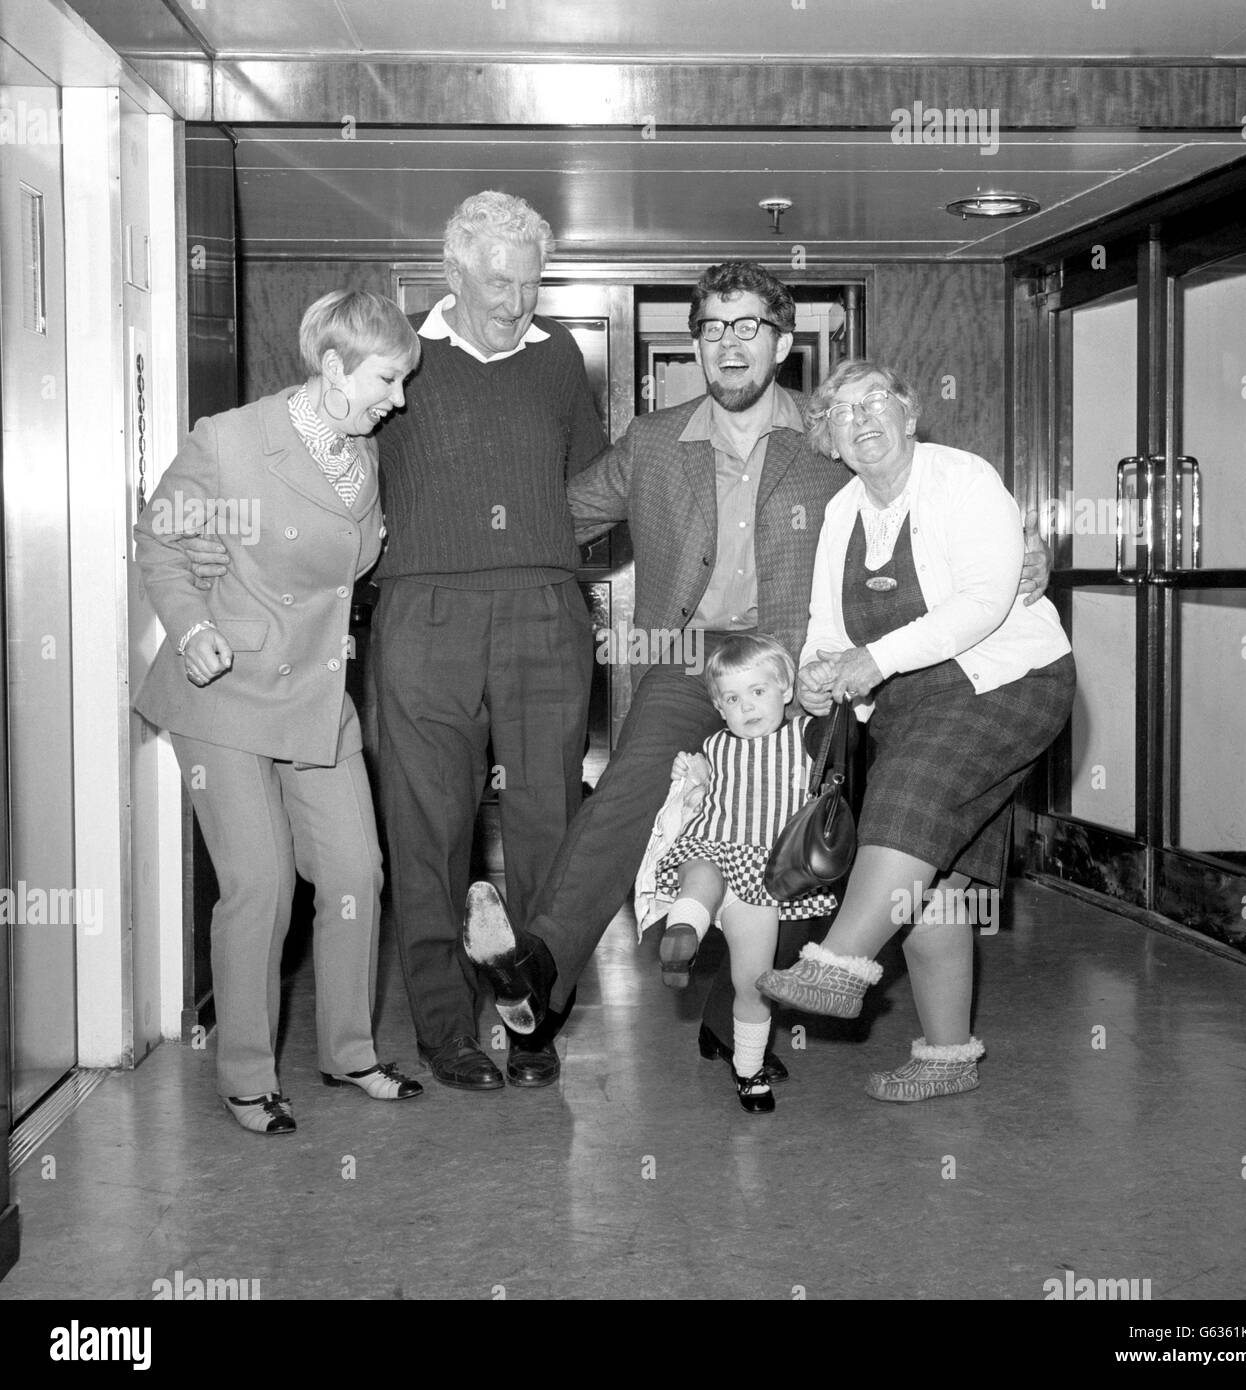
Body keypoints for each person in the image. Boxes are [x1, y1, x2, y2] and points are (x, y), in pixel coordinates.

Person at [463, 261, 1053, 1088]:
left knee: (790, 838)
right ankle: (538, 970)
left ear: (781, 342)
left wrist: (1031, 543)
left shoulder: (827, 432)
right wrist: (436, 536)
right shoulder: (651, 442)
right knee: (633, 792)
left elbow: (920, 487)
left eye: (748, 327)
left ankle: (735, 1011)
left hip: (795, 664)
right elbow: (552, 522)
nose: (729, 344)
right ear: (695, 344)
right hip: (686, 660)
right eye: (712, 328)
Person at [134, 290, 423, 1134]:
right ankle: (247, 1076)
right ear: (333, 368)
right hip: (224, 692)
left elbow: (348, 562)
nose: (396, 399)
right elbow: (164, 544)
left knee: (353, 872)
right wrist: (189, 629)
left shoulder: (359, 452)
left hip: (316, 693)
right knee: (258, 881)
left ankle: (349, 1052)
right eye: (387, 379)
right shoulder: (228, 441)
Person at [755, 360, 1076, 1102]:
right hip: (914, 704)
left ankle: (839, 964)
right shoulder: (840, 513)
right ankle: (947, 1058)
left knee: (906, 796)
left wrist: (872, 658)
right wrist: (814, 672)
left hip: (1008, 682)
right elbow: (827, 630)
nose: (863, 420)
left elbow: (985, 601)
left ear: (908, 413)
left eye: (877, 402)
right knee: (932, 887)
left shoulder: (961, 479)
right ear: (828, 440)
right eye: (842, 413)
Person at [366, 191, 605, 1093]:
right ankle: (444, 1030)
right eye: (499, 282)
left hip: (544, 607)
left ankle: (533, 1014)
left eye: (531, 283)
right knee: (427, 826)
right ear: (453, 272)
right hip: (425, 611)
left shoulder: (558, 359)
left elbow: (592, 484)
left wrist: (545, 553)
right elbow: (340, 463)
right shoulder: (404, 359)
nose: (517, 301)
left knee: (550, 817)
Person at [647, 634, 840, 1114]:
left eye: (759, 691)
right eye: (732, 698)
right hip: (712, 849)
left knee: (754, 983)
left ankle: (749, 1070)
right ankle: (682, 937)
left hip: (765, 877)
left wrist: (834, 685)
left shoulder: (805, 738)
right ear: (718, 706)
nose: (746, 706)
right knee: (702, 876)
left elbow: (842, 736)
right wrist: (688, 777)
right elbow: (693, 800)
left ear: (786, 689)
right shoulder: (711, 746)